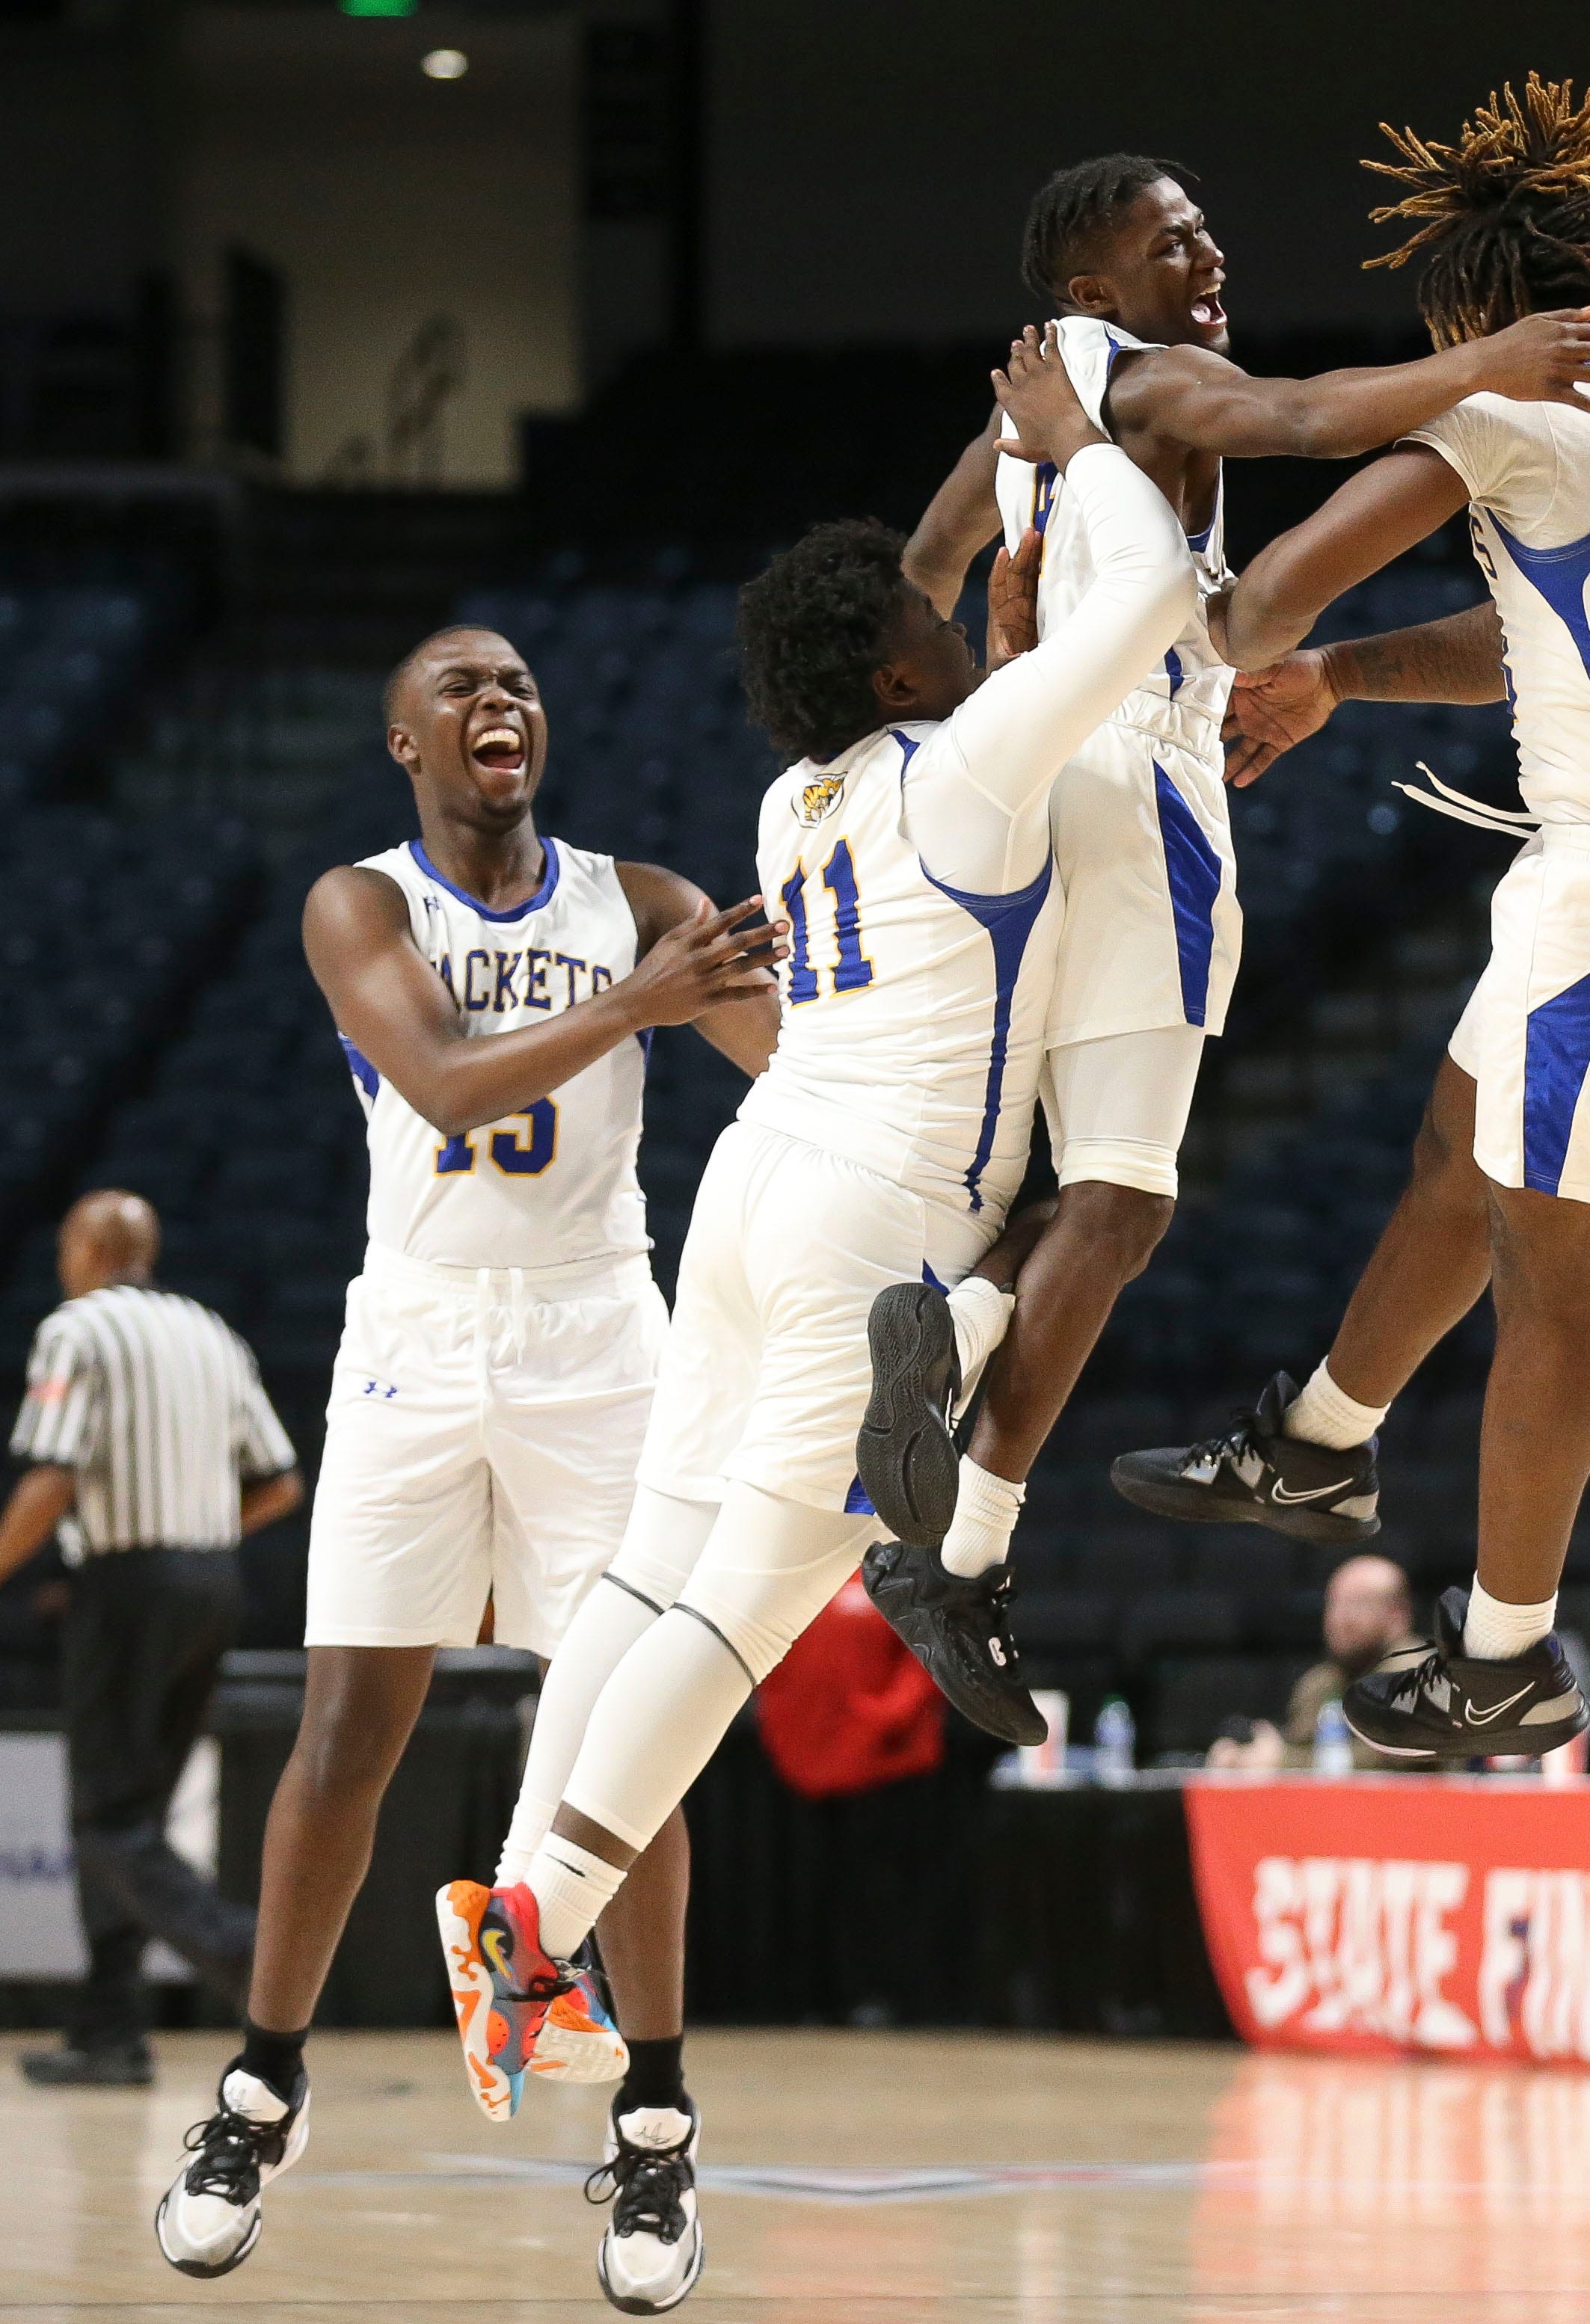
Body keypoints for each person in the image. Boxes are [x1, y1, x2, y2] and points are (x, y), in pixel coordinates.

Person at [432, 327, 1194, 2115]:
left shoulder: (795, 799)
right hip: (875, 1214)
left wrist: (991, 533)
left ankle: (515, 1887)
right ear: (891, 663)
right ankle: (536, 1935)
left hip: (755, 1179)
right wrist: (1072, 440)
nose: (954, 614)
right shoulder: (966, 764)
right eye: (927, 616)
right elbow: (1156, 593)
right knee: (743, 1611)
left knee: (647, 1568)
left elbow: (944, 632)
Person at [858, 153, 1590, 1738]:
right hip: (1138, 778)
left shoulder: (1021, 413)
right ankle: (965, 1508)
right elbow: (1304, 418)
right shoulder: (1146, 381)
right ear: (1094, 287)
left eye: (1208, 226)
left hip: (1016, 784)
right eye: (1170, 240)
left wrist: (920, 744)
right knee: (1124, 1200)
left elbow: (918, 575)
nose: (1208, 252)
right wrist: (1485, 364)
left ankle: (961, 1345)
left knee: (1078, 1195)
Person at [1116, 77, 1590, 1761]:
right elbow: (1525, 643)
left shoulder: (1504, 407)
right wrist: (1343, 679)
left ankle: (1505, 1654)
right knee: (1452, 1148)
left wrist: (1171, 596)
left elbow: (1259, 600)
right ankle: (1318, 1440)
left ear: (1475, 309)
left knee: (1548, 1272)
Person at [155, 624, 782, 2314]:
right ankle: (260, 2091)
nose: (497, 701)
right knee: (346, 1733)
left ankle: (654, 2125)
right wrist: (638, 1004)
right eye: (459, 688)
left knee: (632, 1734)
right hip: (417, 1335)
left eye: (516, 684)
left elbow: (795, 1068)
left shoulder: (641, 897)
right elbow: (434, 1084)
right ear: (404, 746)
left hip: (600, 1336)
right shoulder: (358, 904)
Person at [0, 1190, 299, 2086]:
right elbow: (281, 1483)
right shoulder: (213, 1332)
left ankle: (240, 1950)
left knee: (106, 1819)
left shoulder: (77, 1329)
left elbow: (51, 1477)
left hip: (126, 1588)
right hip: (211, 1583)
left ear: (87, 1249)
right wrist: (191, 1543)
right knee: (135, 1814)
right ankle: (111, 2031)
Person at [1206, 1554, 1419, 1772]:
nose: (1341, 1619)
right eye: (1334, 1604)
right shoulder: (1320, 1683)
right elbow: (1301, 1747)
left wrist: (1284, 1762)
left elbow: (1394, 1757)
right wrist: (1248, 1755)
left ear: (1398, 1614)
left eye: (1358, 1605)